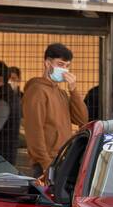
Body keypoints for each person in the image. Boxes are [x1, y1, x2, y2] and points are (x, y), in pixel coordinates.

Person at [22, 42, 88, 177]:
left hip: (61, 159)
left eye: (67, 66)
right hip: (47, 164)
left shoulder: (61, 93)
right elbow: (34, 130)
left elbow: (81, 119)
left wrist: (73, 90)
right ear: (47, 63)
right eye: (60, 64)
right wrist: (45, 164)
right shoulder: (37, 90)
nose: (64, 69)